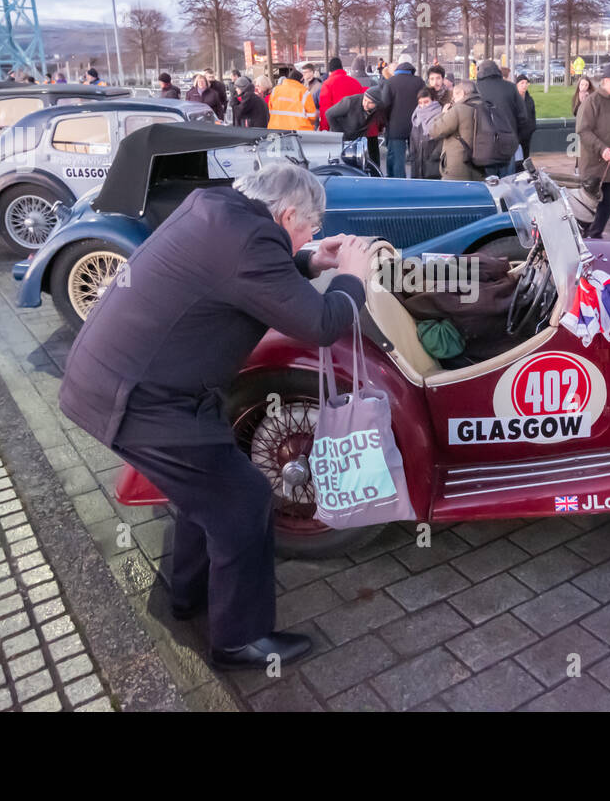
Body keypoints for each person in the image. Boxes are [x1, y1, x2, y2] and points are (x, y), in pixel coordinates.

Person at [57, 163, 373, 671]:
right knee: (242, 500)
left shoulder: (221, 212)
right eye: (308, 227)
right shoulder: (248, 242)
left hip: (125, 386)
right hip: (141, 401)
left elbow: (251, 277)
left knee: (205, 497)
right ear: (286, 213)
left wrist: (311, 259)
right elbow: (321, 323)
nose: (310, 234)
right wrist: (353, 277)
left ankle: (189, 596)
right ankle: (239, 641)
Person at [575, 62, 610, 238]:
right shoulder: (592, 102)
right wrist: (602, 149)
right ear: (606, 81)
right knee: (588, 207)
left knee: (607, 206)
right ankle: (583, 239)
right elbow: (583, 130)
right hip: (594, 166)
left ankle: (595, 237)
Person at [474, 58, 527, 174]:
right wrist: (515, 136)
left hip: (484, 145)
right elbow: (523, 116)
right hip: (508, 142)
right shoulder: (511, 87)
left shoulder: (475, 89)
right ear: (497, 71)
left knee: (489, 185)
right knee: (508, 184)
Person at [429, 79, 486, 181]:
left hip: (457, 168)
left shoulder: (458, 109)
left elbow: (435, 131)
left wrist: (443, 113)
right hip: (482, 167)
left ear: (462, 93)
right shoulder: (486, 107)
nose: (453, 99)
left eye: (454, 96)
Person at [326, 85, 389, 166]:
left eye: (370, 103)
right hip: (342, 137)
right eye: (365, 100)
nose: (366, 104)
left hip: (357, 138)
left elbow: (382, 119)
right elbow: (329, 114)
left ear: (377, 104)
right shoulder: (349, 101)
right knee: (343, 163)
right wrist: (340, 133)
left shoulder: (379, 108)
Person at [383, 61, 425, 177]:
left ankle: (397, 182)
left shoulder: (391, 82)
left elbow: (385, 104)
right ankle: (416, 179)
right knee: (416, 157)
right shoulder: (419, 82)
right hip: (416, 125)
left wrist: (387, 122)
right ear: (411, 71)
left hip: (395, 126)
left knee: (397, 159)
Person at [317, 57, 364, 131]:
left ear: (330, 71)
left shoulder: (328, 84)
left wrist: (324, 129)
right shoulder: (355, 82)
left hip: (337, 127)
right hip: (356, 127)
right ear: (342, 68)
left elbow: (325, 109)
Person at [409, 87, 444, 179]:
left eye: (426, 102)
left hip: (434, 164)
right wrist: (413, 156)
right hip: (417, 164)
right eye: (420, 103)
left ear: (434, 100)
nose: (423, 106)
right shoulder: (416, 117)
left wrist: (434, 157)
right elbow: (412, 138)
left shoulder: (441, 116)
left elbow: (443, 141)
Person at [515, 74, 536, 162]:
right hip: (516, 135)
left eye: (526, 83)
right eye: (522, 83)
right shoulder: (513, 99)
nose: (524, 85)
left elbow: (532, 115)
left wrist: (532, 128)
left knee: (526, 157)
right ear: (517, 85)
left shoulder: (530, 99)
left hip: (527, 135)